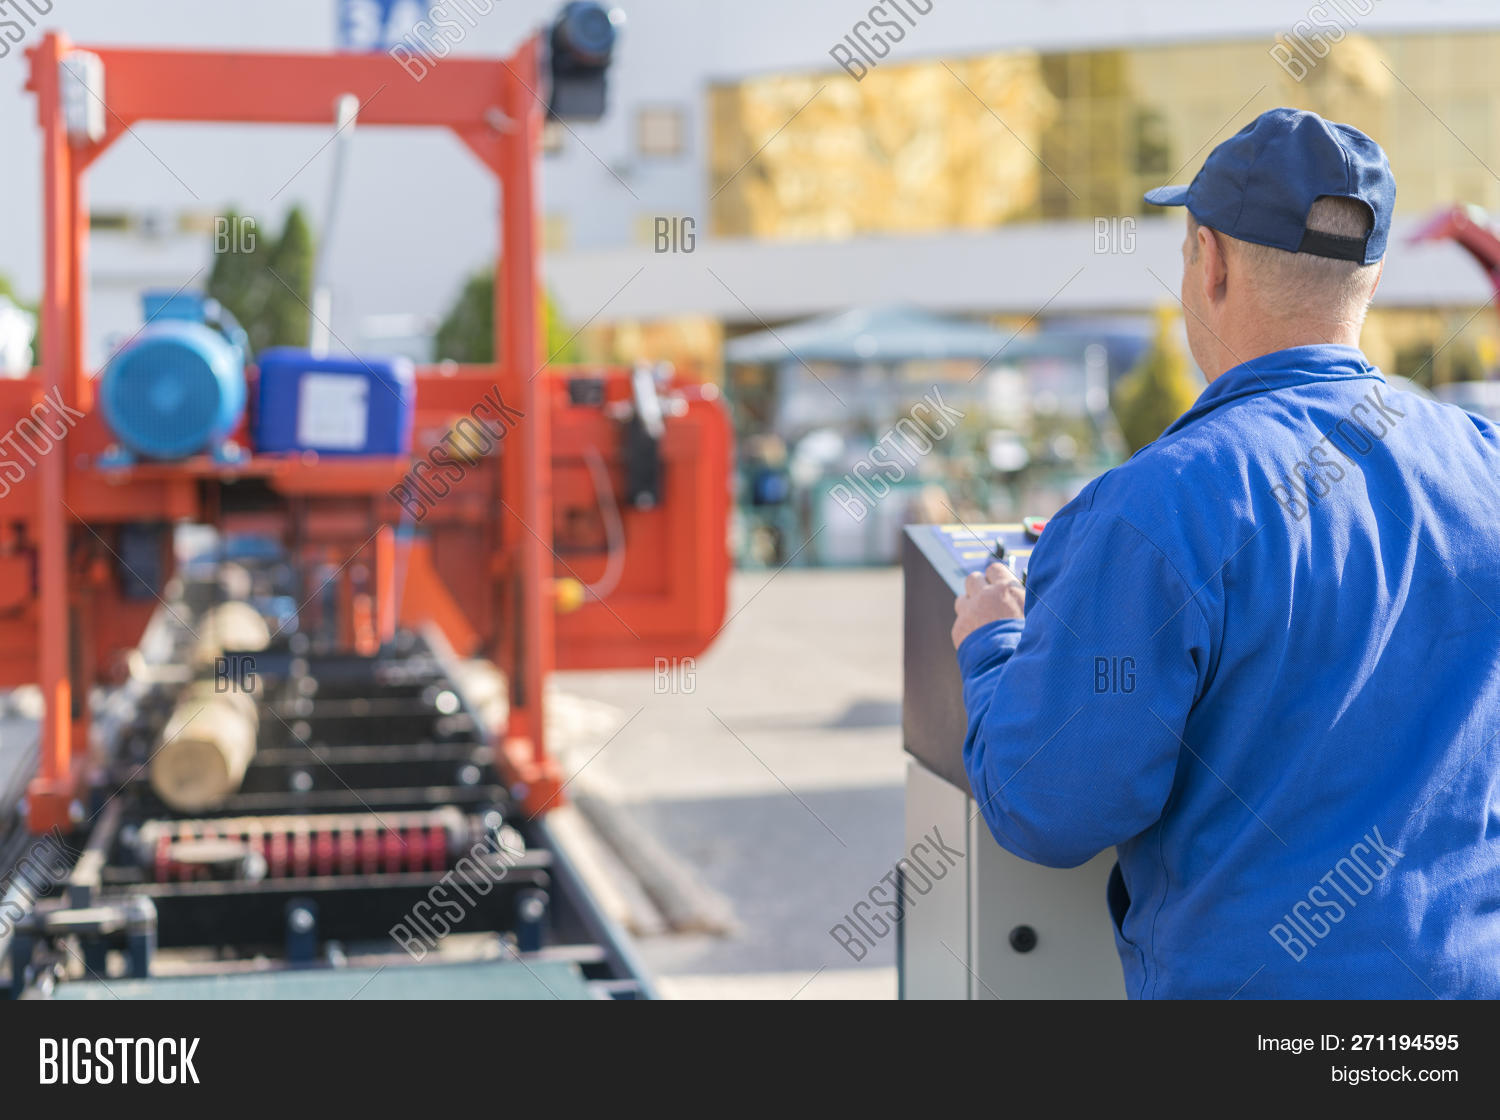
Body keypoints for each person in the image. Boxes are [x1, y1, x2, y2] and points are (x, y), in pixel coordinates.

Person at [951, 107, 1500, 999]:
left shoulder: (1158, 508)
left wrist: (988, 644)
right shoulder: (1484, 465)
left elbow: (1049, 803)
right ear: (1371, 278)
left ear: (1209, 261)